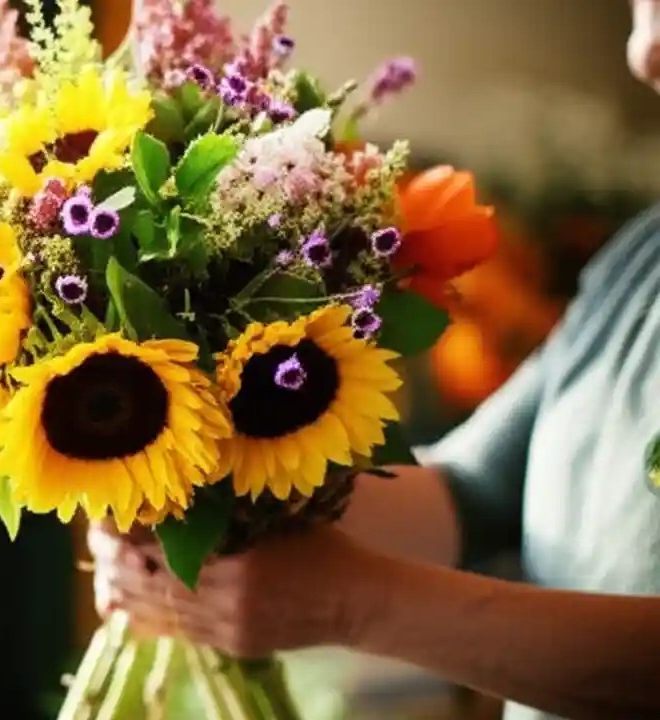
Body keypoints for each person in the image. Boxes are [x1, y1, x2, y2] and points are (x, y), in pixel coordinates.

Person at [89, 4, 660, 719]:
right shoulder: (644, 255)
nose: (647, 47)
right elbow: (476, 492)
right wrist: (212, 495)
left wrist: (352, 604)